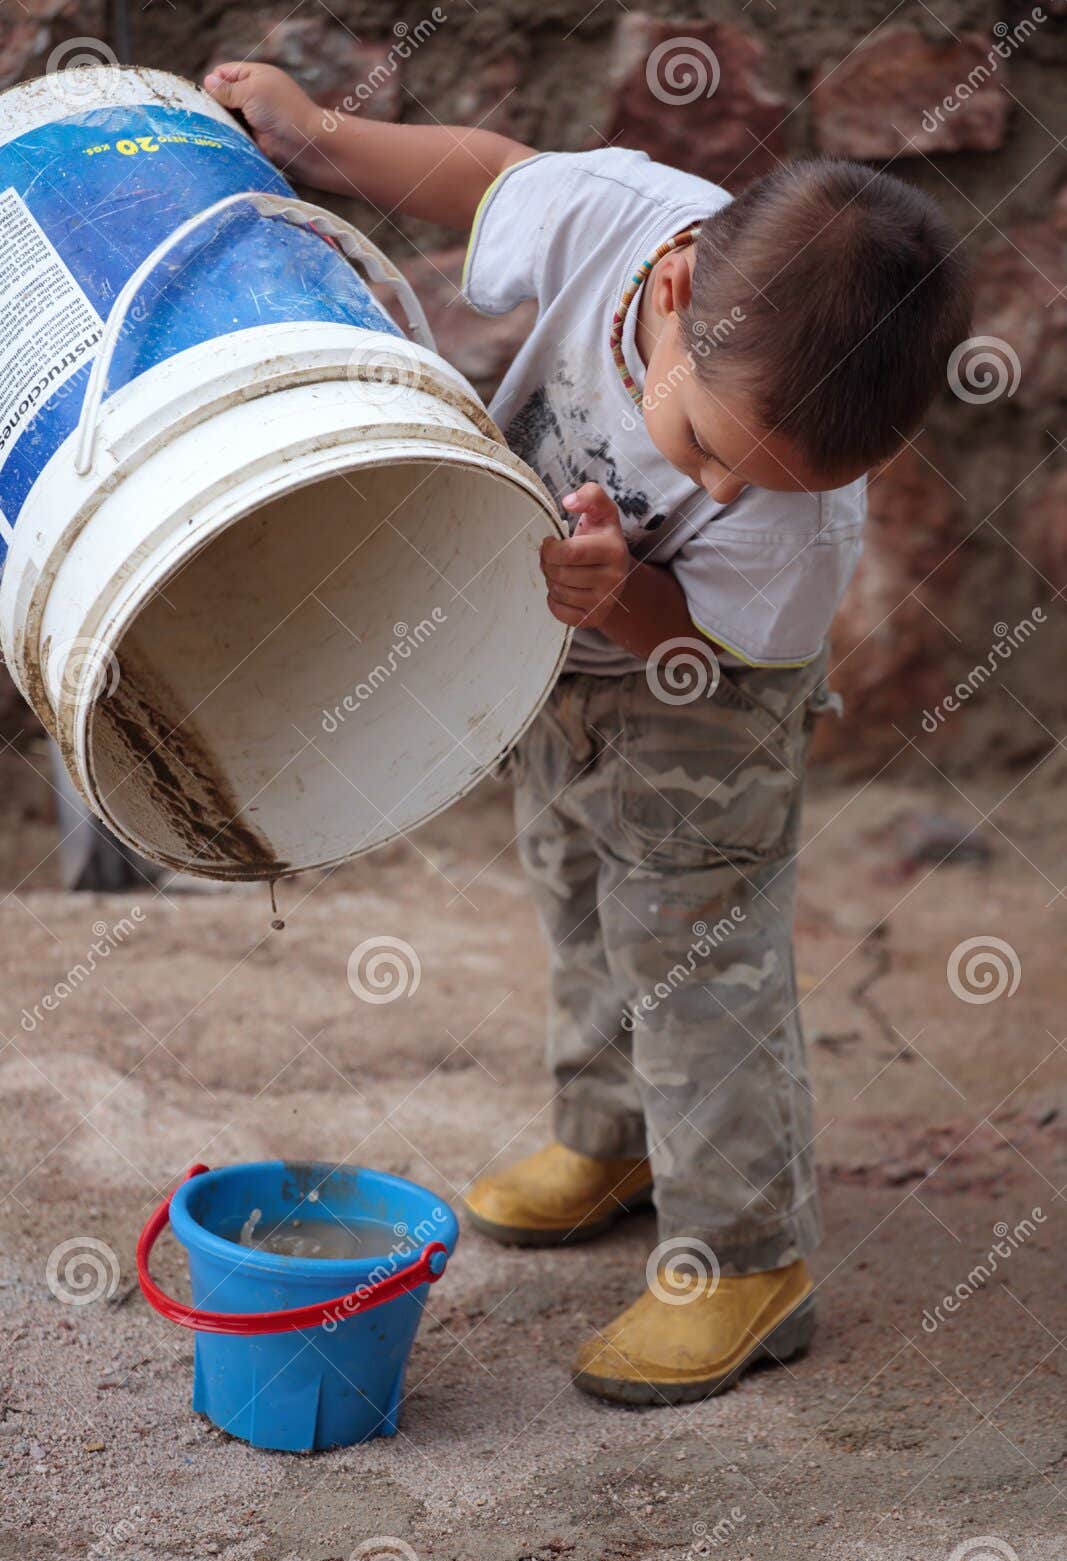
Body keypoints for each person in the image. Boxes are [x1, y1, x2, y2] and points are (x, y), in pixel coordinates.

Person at [206, 61, 972, 1405]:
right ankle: (611, 1134)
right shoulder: (620, 214)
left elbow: (707, 652)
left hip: (707, 687)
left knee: (693, 952)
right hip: (563, 639)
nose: (726, 491)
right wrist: (320, 138)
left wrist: (627, 595)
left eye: (766, 486)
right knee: (570, 879)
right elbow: (492, 176)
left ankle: (742, 1254)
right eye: (708, 445)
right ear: (673, 293)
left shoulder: (802, 527)